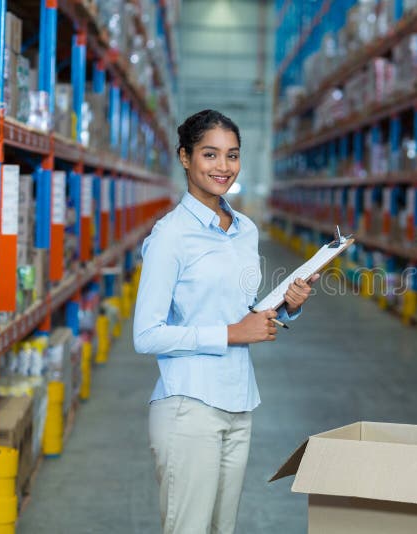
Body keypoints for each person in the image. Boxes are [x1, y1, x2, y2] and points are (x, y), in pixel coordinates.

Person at [133, 109, 317, 534]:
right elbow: (146, 335)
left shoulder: (245, 229)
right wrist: (233, 333)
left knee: (222, 529)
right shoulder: (170, 236)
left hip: (239, 401)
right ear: (185, 157)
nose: (223, 167)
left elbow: (240, 308)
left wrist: (287, 304)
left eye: (232, 156)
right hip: (189, 406)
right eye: (210, 155)